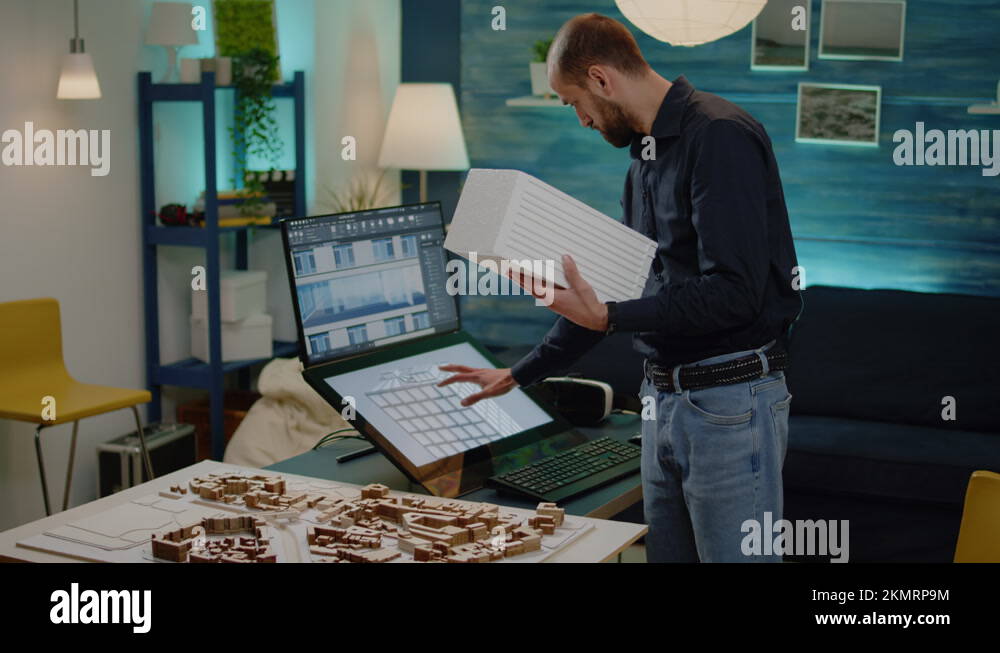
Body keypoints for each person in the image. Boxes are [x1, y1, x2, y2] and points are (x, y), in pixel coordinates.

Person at [437, 13, 802, 562]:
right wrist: (520, 373)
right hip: (661, 401)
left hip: (730, 404)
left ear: (602, 79)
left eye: (572, 101)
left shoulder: (720, 136)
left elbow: (735, 292)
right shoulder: (644, 162)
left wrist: (609, 316)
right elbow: (612, 290)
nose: (580, 119)